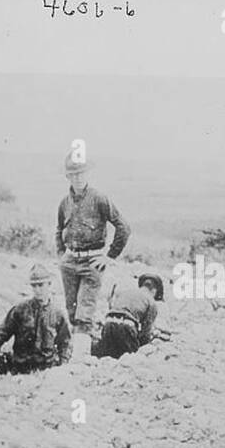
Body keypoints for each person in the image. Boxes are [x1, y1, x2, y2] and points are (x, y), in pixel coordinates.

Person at [55, 152, 131, 356]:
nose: (78, 177)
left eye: (81, 173)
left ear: (87, 174)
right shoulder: (65, 203)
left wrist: (109, 256)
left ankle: (80, 362)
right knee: (72, 311)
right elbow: (58, 229)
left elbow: (123, 227)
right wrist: (62, 255)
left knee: (84, 312)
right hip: (70, 262)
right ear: (68, 177)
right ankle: (72, 353)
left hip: (93, 262)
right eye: (74, 174)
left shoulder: (99, 199)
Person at [0, 264, 73, 371]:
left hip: (45, 370)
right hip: (20, 368)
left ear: (49, 284)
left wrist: (63, 366)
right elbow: (2, 333)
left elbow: (65, 343)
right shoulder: (20, 309)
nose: (37, 290)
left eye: (41, 285)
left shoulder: (57, 314)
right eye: (34, 286)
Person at [93, 270, 163, 359]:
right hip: (126, 328)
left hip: (108, 326)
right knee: (132, 358)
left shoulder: (125, 292)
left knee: (106, 355)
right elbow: (146, 332)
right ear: (154, 290)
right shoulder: (151, 301)